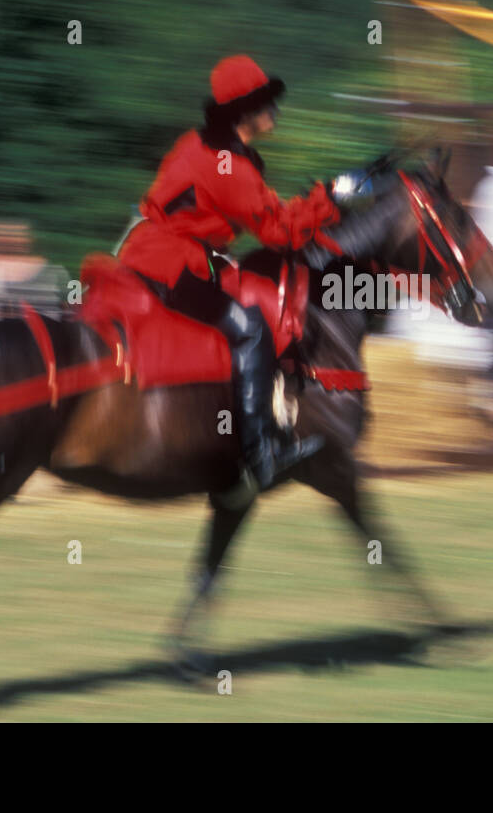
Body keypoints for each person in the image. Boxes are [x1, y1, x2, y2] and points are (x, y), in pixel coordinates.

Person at [118, 55, 341, 498]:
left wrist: (324, 195)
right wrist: (330, 200)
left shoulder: (204, 147)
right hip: (170, 264)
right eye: (264, 102)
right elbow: (279, 233)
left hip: (154, 254)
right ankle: (262, 455)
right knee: (252, 331)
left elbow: (270, 211)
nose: (273, 109)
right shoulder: (230, 168)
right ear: (245, 112)